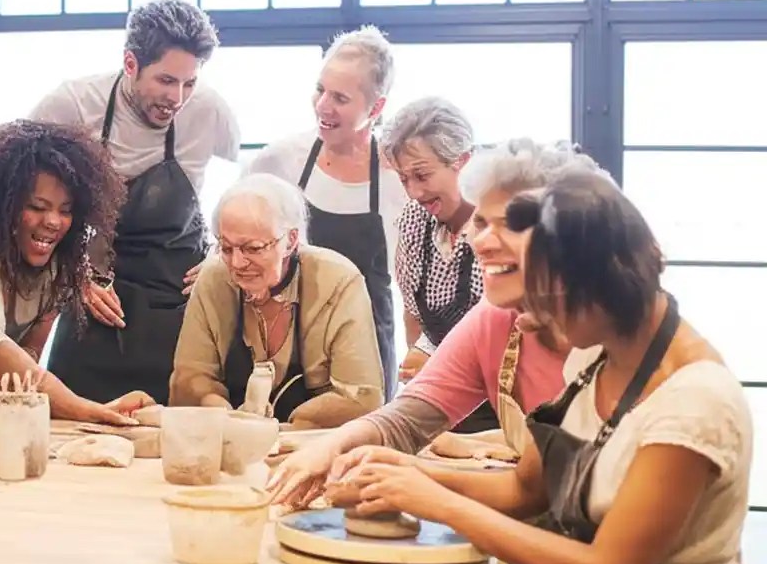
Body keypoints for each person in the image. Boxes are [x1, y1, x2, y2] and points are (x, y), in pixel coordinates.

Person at [333, 166, 767, 564]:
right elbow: (525, 491)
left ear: (600, 283)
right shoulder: (593, 360)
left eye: (544, 298)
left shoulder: (694, 403)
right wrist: (404, 474)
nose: (528, 318)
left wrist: (439, 503)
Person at [266, 138, 591, 506]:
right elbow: (405, 420)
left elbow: (590, 529)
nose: (483, 242)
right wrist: (331, 448)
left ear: (568, 234)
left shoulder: (617, 338)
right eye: (480, 223)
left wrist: (417, 479)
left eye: (513, 225)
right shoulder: (496, 318)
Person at [31, 0, 240, 407]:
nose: (177, 97)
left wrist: (222, 254)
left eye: (189, 83)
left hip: (177, 306)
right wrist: (74, 273)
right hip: (95, 302)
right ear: (131, 64)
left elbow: (244, 199)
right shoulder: (70, 105)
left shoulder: (211, 112)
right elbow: (28, 208)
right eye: (165, 81)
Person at [0, 119, 155, 427]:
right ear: (2, 207)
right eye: (37, 207)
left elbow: (25, 375)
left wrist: (100, 411)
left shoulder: (57, 265)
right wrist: (85, 410)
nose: (54, 221)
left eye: (65, 210)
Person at [248, 25, 407, 404]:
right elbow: (233, 239)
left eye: (340, 98)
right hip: (289, 349)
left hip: (366, 357)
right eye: (320, 90)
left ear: (377, 107)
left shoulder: (399, 178)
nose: (323, 106)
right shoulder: (280, 161)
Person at [171, 173, 383, 428]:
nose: (237, 263)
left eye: (253, 248)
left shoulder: (337, 281)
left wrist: (281, 430)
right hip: (230, 438)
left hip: (314, 446)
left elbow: (361, 398)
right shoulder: (214, 279)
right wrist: (226, 416)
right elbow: (189, 379)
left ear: (291, 240)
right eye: (226, 248)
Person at [385, 96, 490, 430]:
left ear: (463, 161)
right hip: (448, 405)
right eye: (404, 179)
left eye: (422, 175)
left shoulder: (499, 227)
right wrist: (421, 354)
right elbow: (415, 315)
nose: (414, 192)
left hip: (501, 405)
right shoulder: (416, 220)